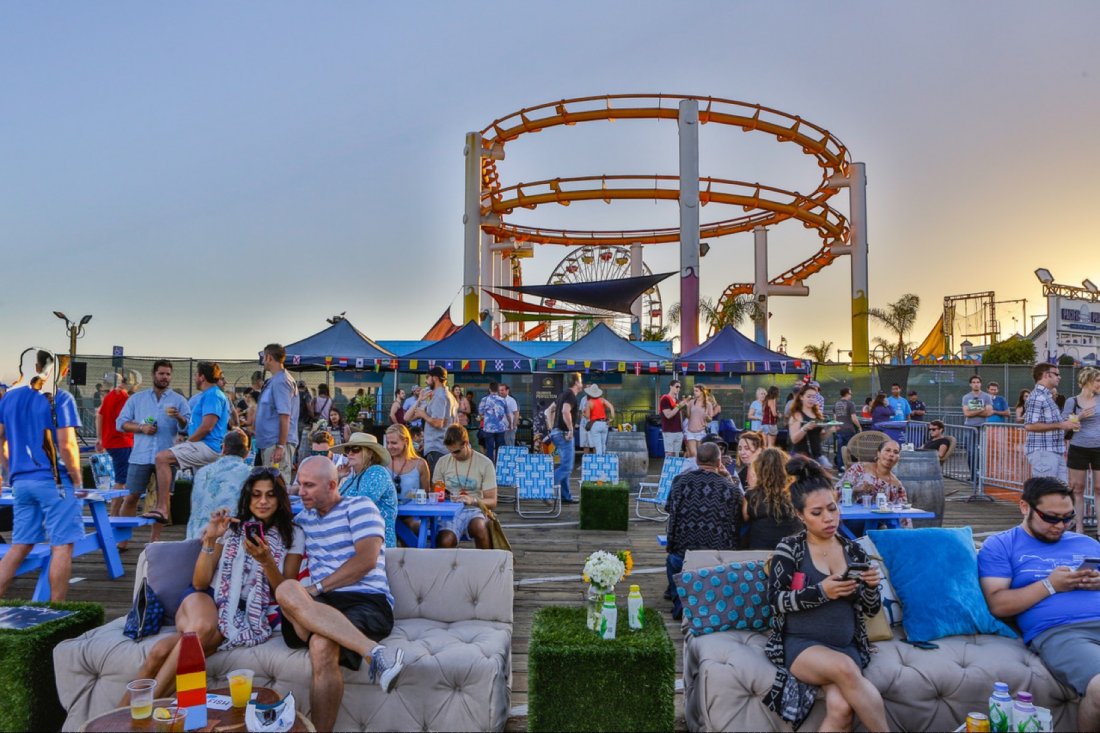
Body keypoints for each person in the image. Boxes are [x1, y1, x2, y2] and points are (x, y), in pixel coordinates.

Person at [122, 469, 304, 704]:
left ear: (280, 499)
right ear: (247, 497)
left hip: (241, 612)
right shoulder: (231, 527)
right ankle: (138, 714)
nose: (262, 501)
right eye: (256, 494)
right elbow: (199, 582)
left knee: (160, 652)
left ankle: (117, 714)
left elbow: (284, 591)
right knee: (201, 628)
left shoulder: (293, 534)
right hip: (205, 598)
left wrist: (266, 561)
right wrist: (211, 539)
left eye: (270, 495)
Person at [274, 457, 404, 732]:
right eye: (300, 484)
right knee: (286, 588)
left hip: (367, 600)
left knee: (321, 645)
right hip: (321, 605)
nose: (301, 490)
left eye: (309, 485)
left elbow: (366, 560)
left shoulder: (359, 507)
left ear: (332, 485)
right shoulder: (302, 520)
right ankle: (374, 653)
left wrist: (317, 588)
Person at [766, 456, 887, 732]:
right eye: (817, 513)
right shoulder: (790, 548)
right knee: (844, 669)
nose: (828, 518)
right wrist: (822, 591)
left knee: (842, 709)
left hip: (847, 646)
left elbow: (870, 609)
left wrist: (870, 586)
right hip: (801, 645)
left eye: (832, 508)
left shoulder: (853, 550)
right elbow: (775, 601)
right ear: (800, 515)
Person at [978, 476, 1100, 730]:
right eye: (1051, 518)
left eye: (1068, 518)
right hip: (1063, 632)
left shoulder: (1087, 543)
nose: (1061, 525)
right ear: (1025, 507)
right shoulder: (1001, 545)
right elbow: (998, 604)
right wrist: (1051, 585)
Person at [0, 349, 85, 602]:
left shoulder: (9, 398)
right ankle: (56, 610)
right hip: (54, 481)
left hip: (21, 482)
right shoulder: (60, 398)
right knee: (61, 545)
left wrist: (8, 469)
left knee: (21, 544)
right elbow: (67, 444)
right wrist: (77, 478)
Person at [147, 362, 231, 539]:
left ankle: (162, 507)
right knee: (202, 492)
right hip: (206, 447)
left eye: (196, 374)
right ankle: (202, 536)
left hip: (207, 446)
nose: (195, 378)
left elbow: (207, 427)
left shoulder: (213, 395)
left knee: (162, 458)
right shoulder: (210, 395)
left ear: (201, 377)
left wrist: (186, 442)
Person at [665, 441, 744, 620]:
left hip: (683, 553)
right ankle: (710, 605)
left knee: (672, 561)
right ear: (719, 462)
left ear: (697, 460)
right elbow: (742, 512)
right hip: (718, 555)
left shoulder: (680, 481)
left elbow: (669, 508)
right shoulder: (730, 489)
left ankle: (681, 605)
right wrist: (729, 477)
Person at [114, 360, 190, 536]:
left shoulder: (178, 401)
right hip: (140, 456)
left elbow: (187, 428)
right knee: (131, 497)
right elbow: (120, 424)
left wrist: (179, 417)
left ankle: (154, 542)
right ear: (153, 374)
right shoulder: (137, 398)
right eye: (161, 373)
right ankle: (123, 539)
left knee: (162, 500)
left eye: (168, 374)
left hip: (166, 456)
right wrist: (141, 428)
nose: (165, 377)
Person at [433, 425, 498, 549]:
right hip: (450, 510)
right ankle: (446, 567)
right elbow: (435, 491)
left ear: (467, 444)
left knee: (480, 527)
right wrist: (443, 495)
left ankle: (485, 564)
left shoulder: (485, 463)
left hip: (474, 509)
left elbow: (493, 501)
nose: (453, 455)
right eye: (450, 451)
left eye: (457, 451)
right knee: (445, 540)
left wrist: (472, 500)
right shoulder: (442, 462)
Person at [186, 429, 254, 540]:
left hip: (193, 538)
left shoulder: (202, 472)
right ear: (247, 453)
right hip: (225, 543)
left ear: (223, 448)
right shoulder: (249, 473)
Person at [333, 433, 397, 548]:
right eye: (348, 449)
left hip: (376, 546)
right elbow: (332, 503)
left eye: (356, 449)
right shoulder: (352, 478)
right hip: (354, 540)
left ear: (370, 453)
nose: (350, 453)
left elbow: (361, 506)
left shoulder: (376, 472)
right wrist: (337, 477)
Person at [254, 344, 300, 487]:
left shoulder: (281, 382)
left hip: (276, 444)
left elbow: (285, 416)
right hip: (269, 443)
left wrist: (280, 446)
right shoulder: (273, 381)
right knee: (268, 487)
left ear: (269, 357)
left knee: (277, 488)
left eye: (264, 357)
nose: (263, 361)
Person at [1024, 362, 1077, 484]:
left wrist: (1067, 424)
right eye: (1057, 374)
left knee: (1059, 493)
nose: (1060, 377)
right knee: (1046, 493)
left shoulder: (1046, 396)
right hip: (1044, 452)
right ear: (1047, 375)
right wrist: (1061, 425)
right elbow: (1030, 425)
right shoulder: (1037, 396)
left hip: (1054, 451)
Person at [1062, 367, 1100, 534]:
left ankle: (1099, 529)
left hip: (1099, 447)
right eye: (1097, 380)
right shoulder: (1072, 401)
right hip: (1079, 447)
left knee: (1099, 488)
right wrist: (1080, 417)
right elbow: (1065, 424)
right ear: (1087, 381)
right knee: (1078, 488)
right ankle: (1079, 528)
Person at [742, 447, 802, 550]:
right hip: (792, 550)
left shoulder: (752, 496)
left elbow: (744, 518)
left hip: (760, 553)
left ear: (759, 469)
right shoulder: (798, 492)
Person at [404, 366, 457, 474]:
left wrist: (423, 414)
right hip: (442, 447)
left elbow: (438, 423)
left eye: (428, 378)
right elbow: (407, 418)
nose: (425, 381)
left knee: (436, 484)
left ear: (435, 378)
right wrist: (419, 400)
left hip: (437, 448)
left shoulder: (439, 396)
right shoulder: (449, 395)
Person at [838, 438, 909, 508]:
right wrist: (856, 489)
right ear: (878, 453)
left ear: (898, 458)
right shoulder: (859, 469)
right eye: (887, 450)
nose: (891, 454)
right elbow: (836, 492)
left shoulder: (896, 485)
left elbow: (903, 512)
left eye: (896, 452)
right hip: (853, 516)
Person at [96, 373, 132, 497]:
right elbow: (122, 421)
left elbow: (99, 416)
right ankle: (116, 512)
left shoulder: (109, 396)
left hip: (112, 441)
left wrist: (100, 438)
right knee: (122, 481)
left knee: (121, 479)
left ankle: (118, 511)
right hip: (121, 442)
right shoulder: (123, 396)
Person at [551, 372, 584, 504]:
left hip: (556, 433)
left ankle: (565, 496)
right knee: (566, 467)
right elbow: (565, 411)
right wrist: (570, 429)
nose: (582, 383)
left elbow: (549, 410)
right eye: (580, 380)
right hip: (564, 434)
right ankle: (547, 489)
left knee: (565, 465)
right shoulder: (570, 395)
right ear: (576, 382)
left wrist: (552, 427)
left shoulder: (562, 394)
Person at [788, 384, 836, 468]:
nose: (811, 399)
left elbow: (819, 438)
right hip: (801, 458)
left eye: (814, 397)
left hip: (817, 456)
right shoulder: (797, 415)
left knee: (826, 473)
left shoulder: (817, 414)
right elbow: (794, 440)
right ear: (801, 397)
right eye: (809, 396)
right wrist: (804, 429)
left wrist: (831, 430)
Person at [477, 381, 509, 464]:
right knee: (500, 448)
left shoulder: (484, 399)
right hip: (500, 428)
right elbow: (507, 414)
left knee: (489, 448)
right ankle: (499, 466)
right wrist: (511, 423)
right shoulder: (502, 400)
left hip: (488, 428)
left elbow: (480, 412)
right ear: (498, 389)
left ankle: (490, 467)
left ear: (489, 389)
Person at [684, 384, 719, 458]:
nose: (694, 392)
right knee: (693, 453)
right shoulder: (691, 402)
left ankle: (698, 468)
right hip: (690, 431)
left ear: (702, 392)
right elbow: (688, 416)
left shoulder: (708, 404)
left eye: (696, 391)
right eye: (694, 391)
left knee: (699, 453)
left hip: (701, 431)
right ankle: (694, 468)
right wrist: (687, 407)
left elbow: (710, 419)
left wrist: (707, 417)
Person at [832, 387, 861, 471]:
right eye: (850, 394)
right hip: (849, 429)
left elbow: (835, 419)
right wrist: (859, 427)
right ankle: (849, 468)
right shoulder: (850, 404)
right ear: (847, 394)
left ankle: (840, 469)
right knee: (850, 450)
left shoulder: (836, 404)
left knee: (840, 450)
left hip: (839, 429)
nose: (851, 395)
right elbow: (854, 418)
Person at [583, 384, 615, 455]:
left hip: (595, 425)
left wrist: (584, 414)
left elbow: (588, 416)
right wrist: (612, 418)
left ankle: (600, 462)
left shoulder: (589, 403)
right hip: (604, 424)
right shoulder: (602, 400)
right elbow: (611, 406)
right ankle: (604, 461)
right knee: (603, 444)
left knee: (598, 446)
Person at [658, 380, 687, 456]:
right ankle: (667, 468)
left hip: (678, 431)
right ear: (671, 386)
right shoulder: (665, 399)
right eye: (676, 386)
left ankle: (674, 468)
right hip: (669, 431)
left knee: (676, 455)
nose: (678, 389)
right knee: (669, 454)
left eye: (679, 387)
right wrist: (679, 406)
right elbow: (668, 415)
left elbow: (682, 416)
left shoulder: (677, 401)